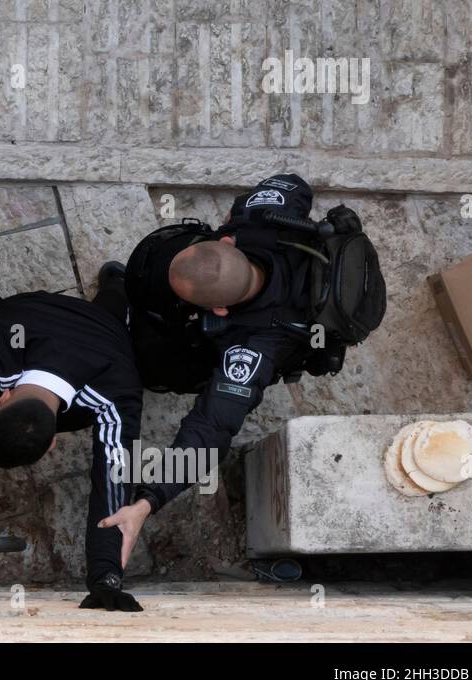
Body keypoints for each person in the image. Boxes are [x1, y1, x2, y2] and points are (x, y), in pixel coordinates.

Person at [99, 172, 384, 556]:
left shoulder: (249, 352)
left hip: (269, 335)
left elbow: (210, 431)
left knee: (157, 366)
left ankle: (117, 296)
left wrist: (145, 502)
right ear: (228, 242)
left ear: (216, 311)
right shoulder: (267, 220)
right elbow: (291, 182)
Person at [0, 272, 145, 612]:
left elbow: (114, 474)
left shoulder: (119, 389)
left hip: (100, 329)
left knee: (115, 305)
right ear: (53, 442)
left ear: (3, 397)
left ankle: (115, 280)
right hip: (13, 319)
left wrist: (106, 574)